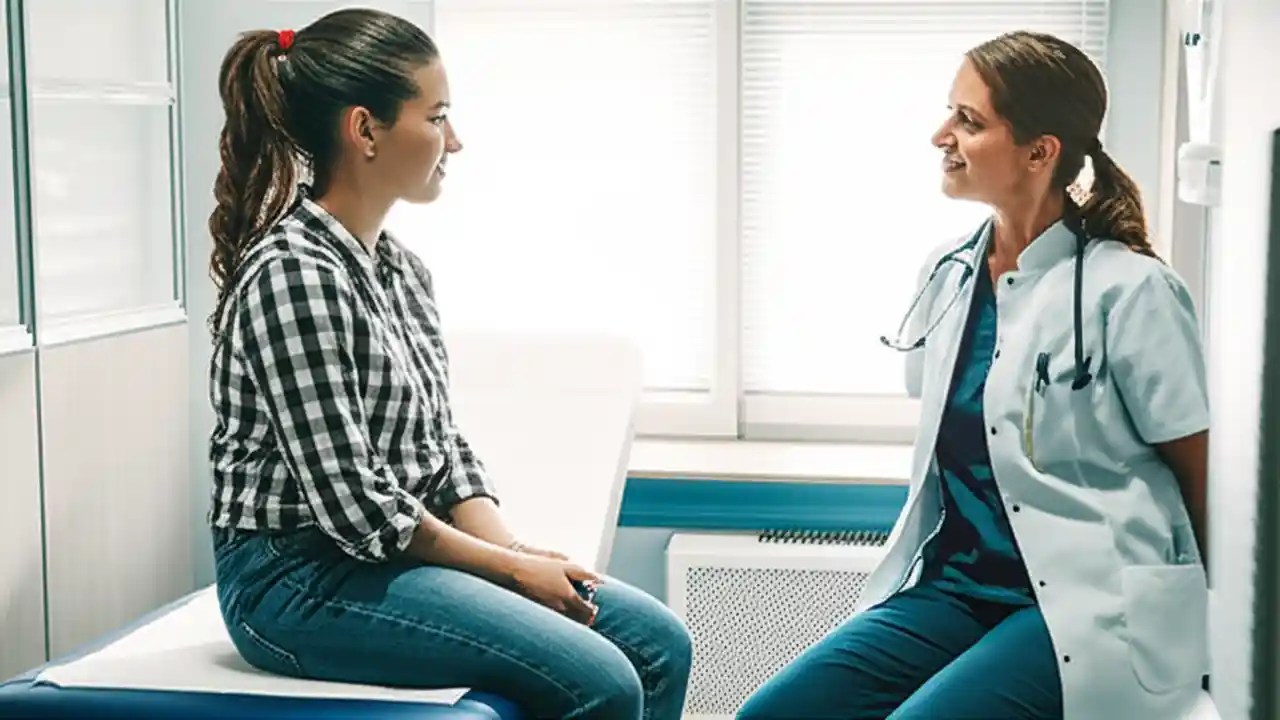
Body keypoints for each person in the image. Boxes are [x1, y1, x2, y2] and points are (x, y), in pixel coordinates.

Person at [204, 9, 692, 719]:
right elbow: (357, 512)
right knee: (605, 682)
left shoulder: (402, 271)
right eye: (436, 118)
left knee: (660, 643)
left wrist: (522, 552)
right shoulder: (292, 275)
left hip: (379, 556)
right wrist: (512, 571)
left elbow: (440, 450)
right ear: (365, 129)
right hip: (295, 581)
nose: (454, 141)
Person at [737, 30, 1209, 720]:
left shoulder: (1131, 292)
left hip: (1089, 603)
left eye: (969, 120)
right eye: (950, 112)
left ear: (1039, 152)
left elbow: (1199, 476)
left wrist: (1212, 632)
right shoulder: (949, 273)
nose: (940, 135)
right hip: (958, 588)